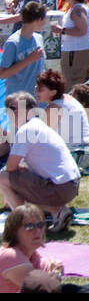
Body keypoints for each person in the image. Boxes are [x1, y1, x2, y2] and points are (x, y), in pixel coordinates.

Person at [0, 92, 80, 234]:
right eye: (7, 109)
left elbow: (10, 167)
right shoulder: (37, 126)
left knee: (3, 178)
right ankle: (57, 211)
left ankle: (25, 224)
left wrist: (16, 171)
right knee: (13, 185)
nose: (9, 113)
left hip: (60, 188)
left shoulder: (26, 130)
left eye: (13, 108)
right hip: (69, 185)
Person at [0, 203, 62, 292]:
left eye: (40, 225)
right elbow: (45, 288)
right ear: (14, 231)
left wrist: (54, 273)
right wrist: (57, 274)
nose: (37, 231)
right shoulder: (10, 255)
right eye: (29, 226)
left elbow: (55, 265)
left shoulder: (33, 256)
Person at [0, 1, 45, 106]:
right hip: (18, 100)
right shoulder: (13, 42)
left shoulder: (39, 38)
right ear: (37, 20)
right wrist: (28, 60)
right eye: (43, 19)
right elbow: (2, 74)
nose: (44, 23)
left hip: (38, 99)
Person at [52, 0, 89, 88]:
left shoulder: (77, 9)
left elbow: (82, 30)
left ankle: (74, 104)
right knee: (82, 83)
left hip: (76, 51)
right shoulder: (78, 7)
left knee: (72, 84)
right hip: (78, 49)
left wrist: (61, 30)